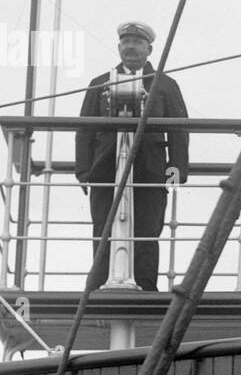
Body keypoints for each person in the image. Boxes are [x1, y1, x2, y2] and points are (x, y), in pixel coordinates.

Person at [75, 21, 189, 292]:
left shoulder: (165, 85)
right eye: (126, 42)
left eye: (137, 43)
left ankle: (147, 286)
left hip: (149, 167)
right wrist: (83, 169)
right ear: (118, 47)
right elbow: (85, 129)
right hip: (105, 166)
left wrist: (177, 167)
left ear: (149, 49)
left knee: (148, 228)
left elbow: (179, 129)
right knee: (103, 226)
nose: (131, 47)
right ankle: (100, 282)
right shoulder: (99, 83)